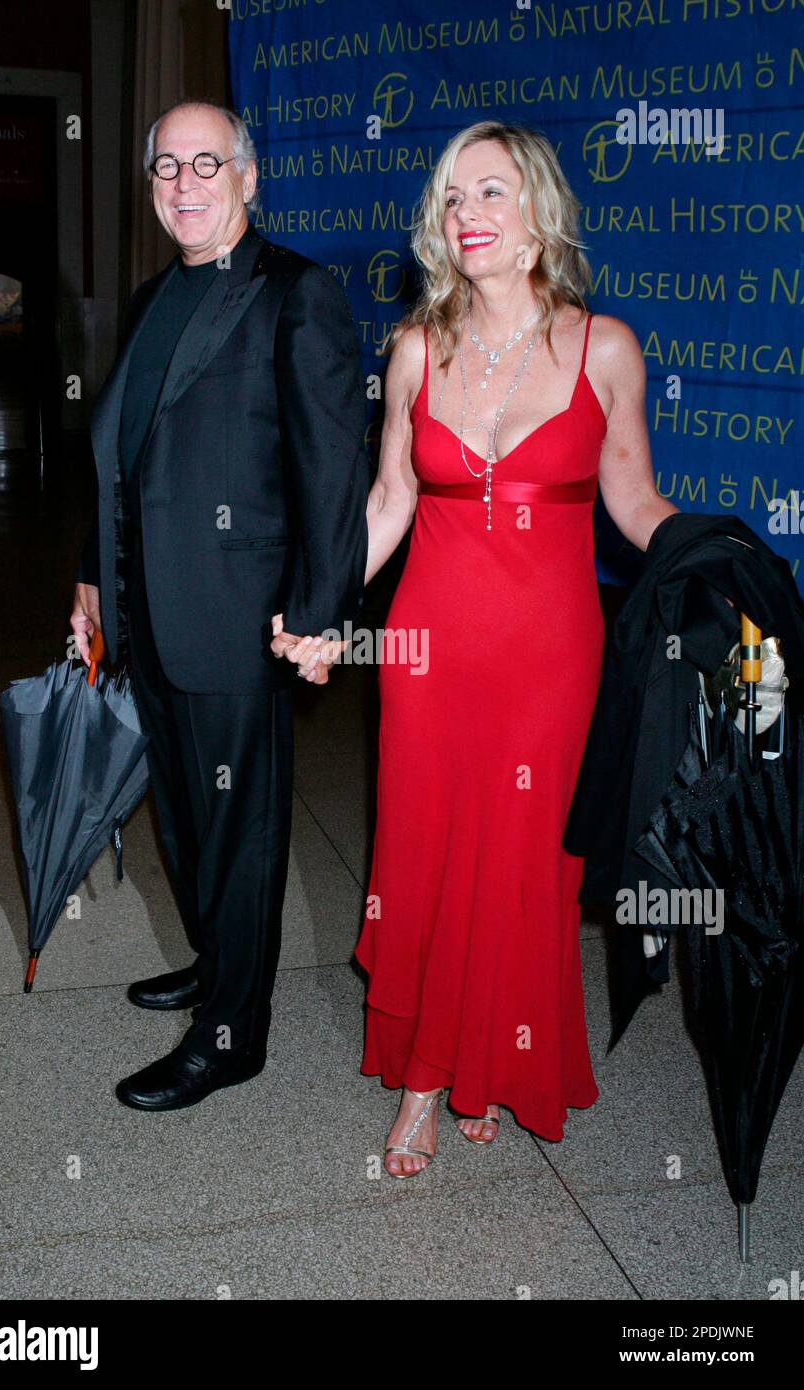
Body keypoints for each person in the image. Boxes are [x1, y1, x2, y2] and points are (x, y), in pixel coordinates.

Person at [277, 120, 678, 1175]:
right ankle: (421, 1077)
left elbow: (631, 499)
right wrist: (321, 608)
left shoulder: (605, 347)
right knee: (423, 846)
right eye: (453, 200)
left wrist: (711, 555)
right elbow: (389, 500)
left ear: (537, 208)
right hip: (427, 646)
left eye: (490, 193)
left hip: (549, 653)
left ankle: (492, 1057)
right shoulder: (414, 347)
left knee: (520, 862)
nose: (467, 218)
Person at [70, 100, 369, 1111]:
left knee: (239, 835)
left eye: (207, 163)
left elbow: (334, 473)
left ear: (249, 177)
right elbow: (120, 456)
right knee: (190, 823)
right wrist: (90, 577)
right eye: (166, 166)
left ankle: (232, 1033)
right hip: (148, 610)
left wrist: (321, 613)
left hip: (243, 615)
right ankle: (213, 967)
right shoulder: (158, 294)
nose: (184, 183)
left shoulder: (296, 294)